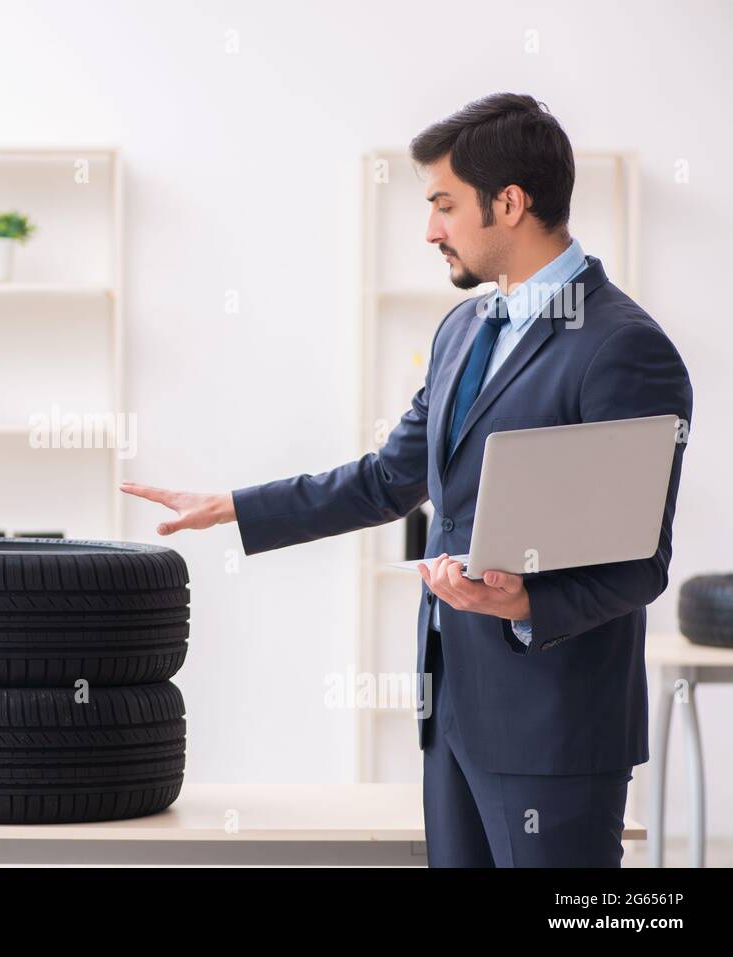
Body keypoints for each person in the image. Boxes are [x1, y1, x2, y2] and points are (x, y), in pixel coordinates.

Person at [121, 92, 693, 867]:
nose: (430, 229)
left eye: (445, 205)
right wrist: (232, 507)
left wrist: (524, 600)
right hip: (451, 706)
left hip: (554, 728)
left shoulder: (624, 348)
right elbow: (391, 477)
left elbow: (640, 562)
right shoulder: (462, 328)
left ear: (511, 203)